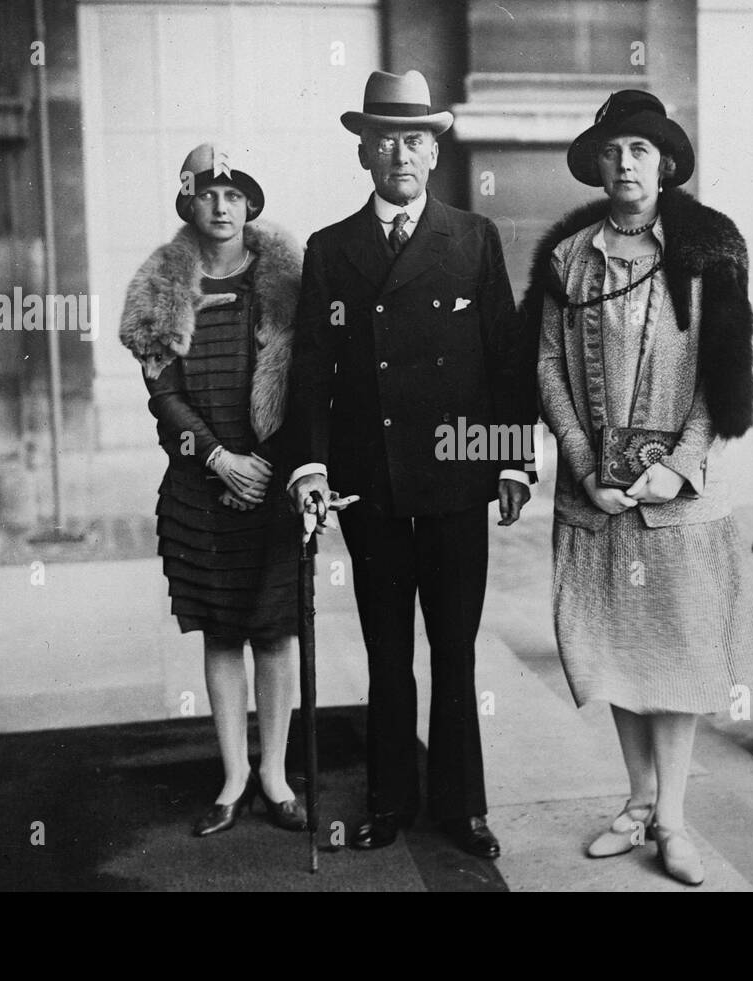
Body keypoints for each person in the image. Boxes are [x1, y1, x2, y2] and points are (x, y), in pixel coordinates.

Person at [525, 91, 753, 885]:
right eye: (614, 150)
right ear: (598, 164)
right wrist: (580, 460)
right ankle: (635, 802)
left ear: (665, 164)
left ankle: (671, 819)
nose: (627, 162)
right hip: (595, 497)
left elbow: (723, 372)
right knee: (616, 656)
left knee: (677, 657)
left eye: (642, 149)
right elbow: (544, 365)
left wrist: (678, 464)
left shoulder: (706, 252)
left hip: (681, 499)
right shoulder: (570, 261)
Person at [283, 70, 536, 859]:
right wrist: (311, 470)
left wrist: (513, 458)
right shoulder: (331, 250)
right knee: (388, 651)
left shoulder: (474, 237)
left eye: (417, 138)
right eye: (388, 138)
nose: (403, 152)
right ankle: (390, 800)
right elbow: (311, 372)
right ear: (364, 152)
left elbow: (506, 359)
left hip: (458, 479)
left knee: (455, 650)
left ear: (434, 151)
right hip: (373, 485)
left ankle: (460, 808)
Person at [119, 143, 309, 837]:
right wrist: (220, 460)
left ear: (250, 204)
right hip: (202, 484)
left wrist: (269, 465)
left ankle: (276, 772)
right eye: (209, 194)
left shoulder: (288, 282)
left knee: (277, 631)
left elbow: (307, 382)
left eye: (234, 194)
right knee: (224, 632)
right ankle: (233, 774)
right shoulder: (162, 289)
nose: (222, 206)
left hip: (274, 477)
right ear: (189, 203)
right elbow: (164, 396)